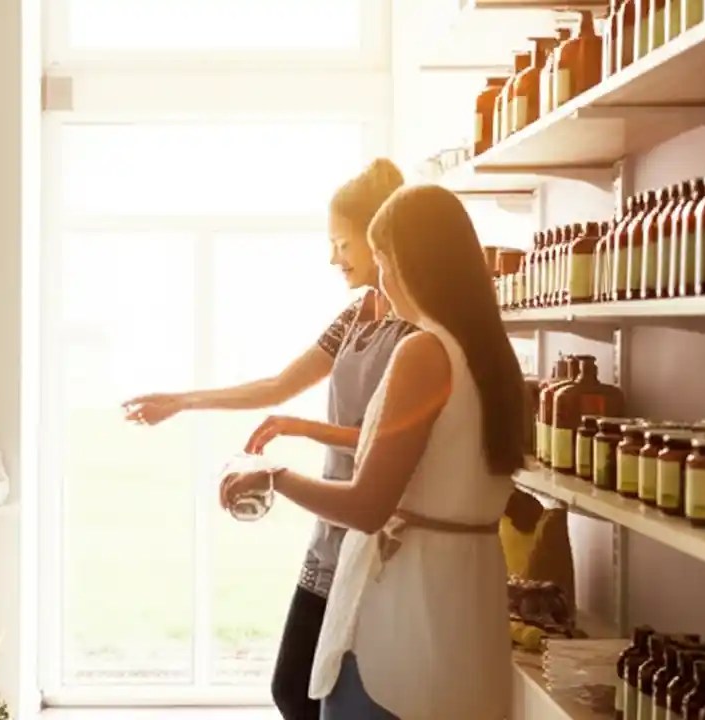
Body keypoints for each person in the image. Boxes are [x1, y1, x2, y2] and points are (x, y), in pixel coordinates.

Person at [219, 184, 525, 719]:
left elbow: (368, 506)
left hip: (404, 603)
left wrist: (274, 476)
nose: (381, 278)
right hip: (470, 602)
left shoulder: (423, 351)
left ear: (404, 263)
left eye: (381, 260)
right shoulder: (492, 358)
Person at [123, 159, 414, 720]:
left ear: (379, 237)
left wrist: (300, 430)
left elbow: (394, 440)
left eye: (341, 243)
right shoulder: (358, 314)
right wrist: (182, 401)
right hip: (332, 522)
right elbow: (279, 385)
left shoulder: (415, 329)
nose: (334, 257)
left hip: (382, 533)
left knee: (329, 696)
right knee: (294, 688)